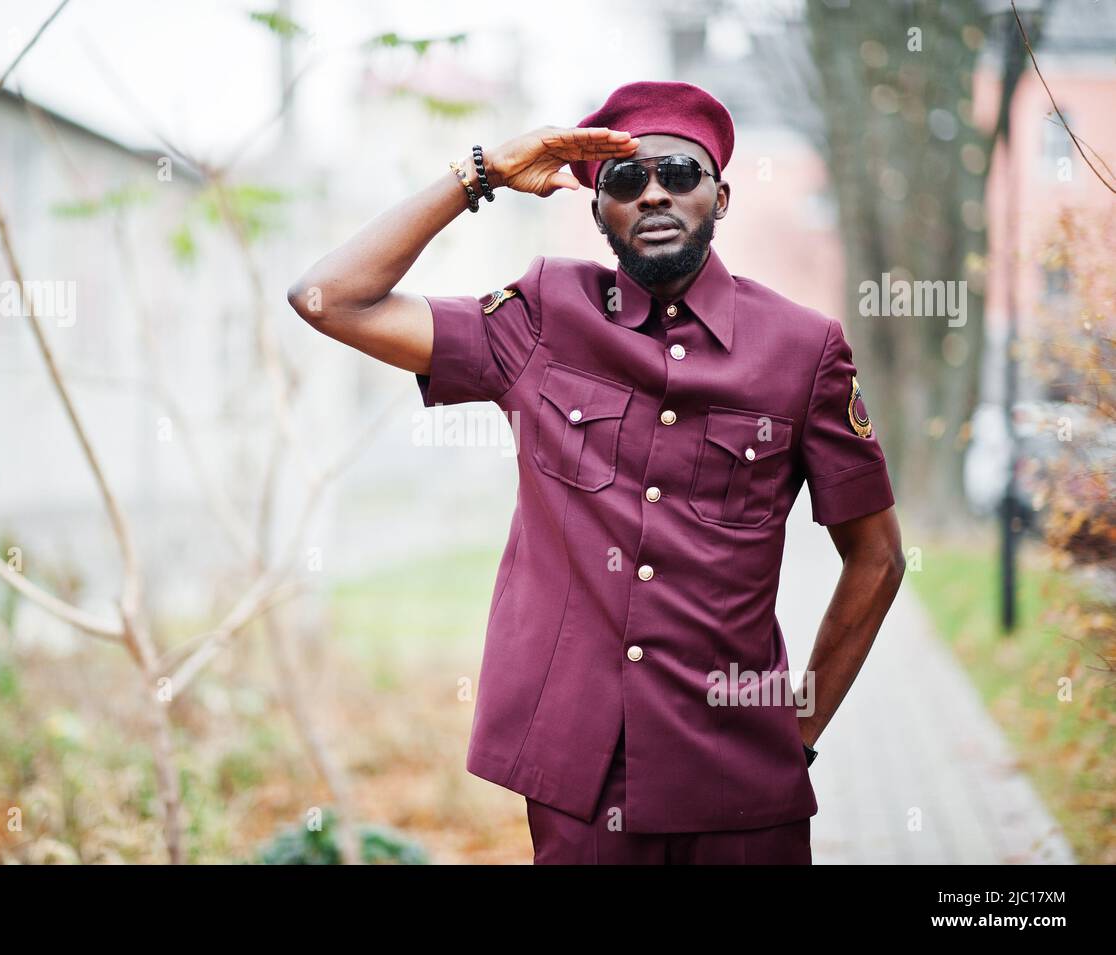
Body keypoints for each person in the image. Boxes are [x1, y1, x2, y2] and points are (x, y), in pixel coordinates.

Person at [287, 80, 905, 865]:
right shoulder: (543, 317)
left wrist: (800, 728)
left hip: (743, 781)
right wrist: (482, 171)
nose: (654, 193)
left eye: (678, 173)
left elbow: (877, 556)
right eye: (625, 179)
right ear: (598, 211)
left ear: (720, 197)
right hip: (582, 781)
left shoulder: (803, 349)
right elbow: (328, 298)